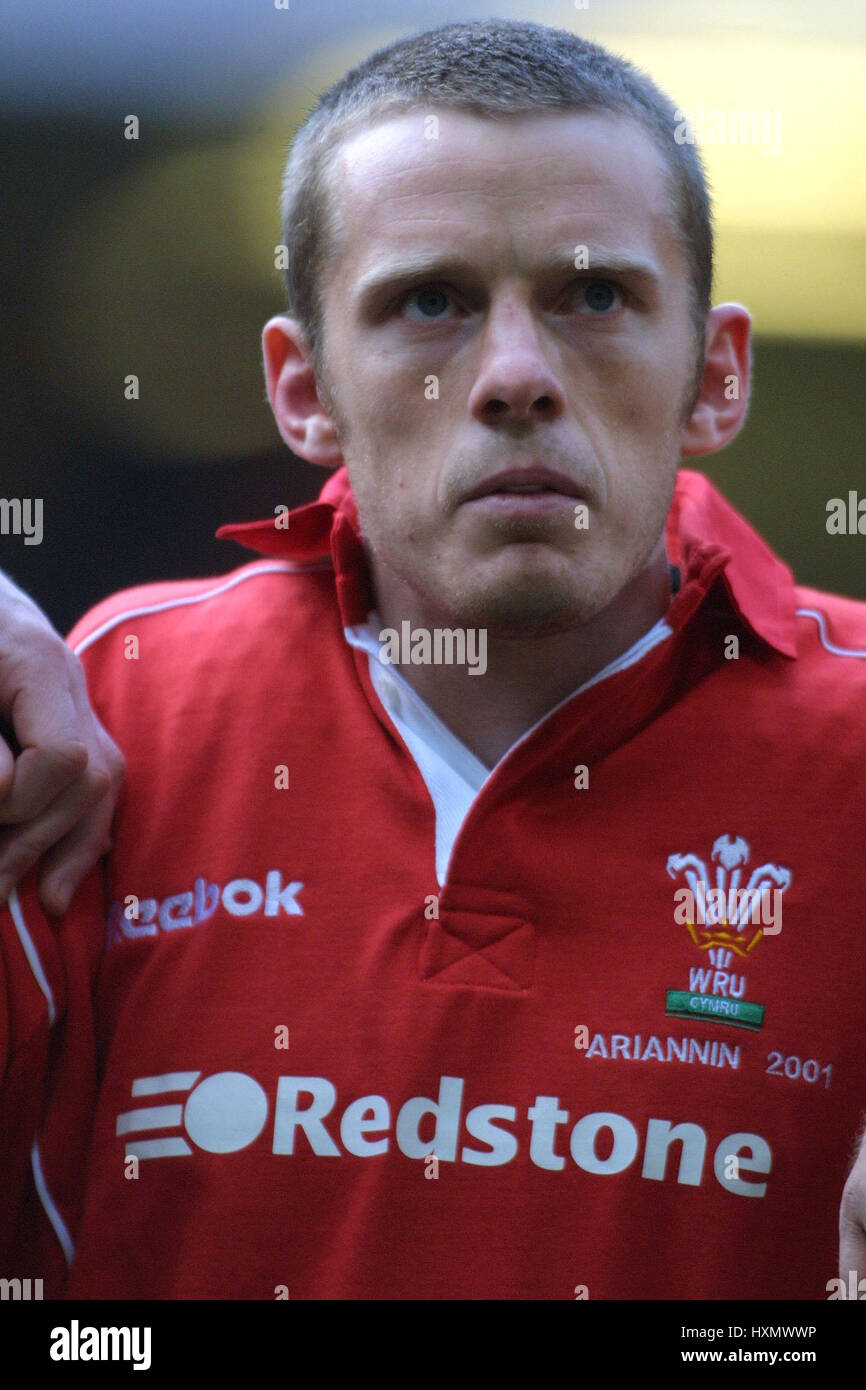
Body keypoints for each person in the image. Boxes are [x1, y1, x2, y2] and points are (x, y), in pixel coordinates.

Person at [1, 17, 865, 1300]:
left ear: (714, 377)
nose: (515, 374)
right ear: (302, 391)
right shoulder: (111, 713)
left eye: (592, 296)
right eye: (429, 301)